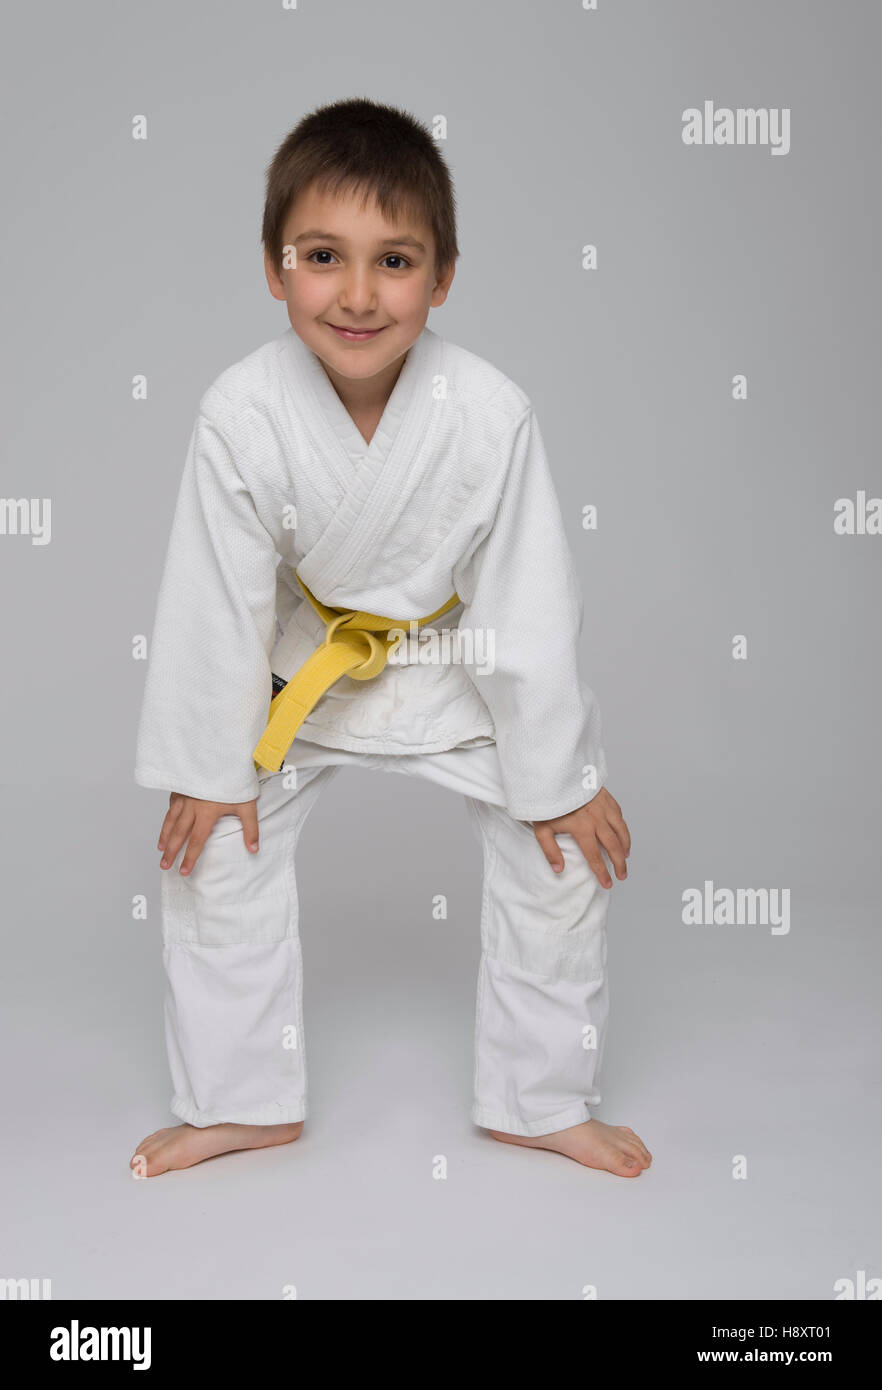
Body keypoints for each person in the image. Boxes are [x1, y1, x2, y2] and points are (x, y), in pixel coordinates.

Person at [131, 97, 649, 1181]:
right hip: (301, 676)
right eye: (323, 256)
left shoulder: (489, 411)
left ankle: (539, 1096)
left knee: (558, 851)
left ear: (444, 276)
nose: (358, 294)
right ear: (275, 270)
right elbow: (214, 599)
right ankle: (240, 1099)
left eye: (395, 260)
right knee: (213, 844)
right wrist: (205, 764)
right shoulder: (241, 412)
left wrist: (556, 774)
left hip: (453, 665)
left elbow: (529, 605)